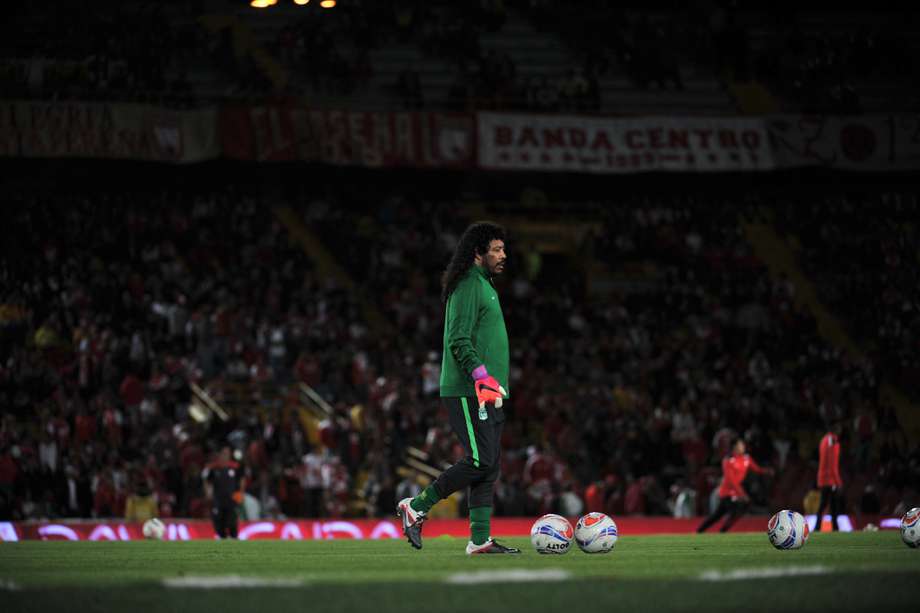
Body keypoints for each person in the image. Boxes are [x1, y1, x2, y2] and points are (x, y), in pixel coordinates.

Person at [397, 222, 520, 554]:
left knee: (489, 465)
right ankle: (417, 506)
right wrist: (482, 377)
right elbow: (457, 339)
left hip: (489, 392)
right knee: (480, 460)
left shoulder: (484, 284)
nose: (503, 255)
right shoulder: (468, 284)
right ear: (478, 252)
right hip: (469, 388)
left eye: (503, 249)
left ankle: (479, 541)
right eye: (496, 249)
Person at [697, 438, 774, 533]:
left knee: (719, 515)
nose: (743, 447)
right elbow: (730, 480)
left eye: (743, 445)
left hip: (736, 493)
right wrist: (742, 494)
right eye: (741, 445)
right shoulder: (728, 460)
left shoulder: (747, 458)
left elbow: (757, 469)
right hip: (726, 493)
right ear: (734, 447)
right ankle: (712, 531)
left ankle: (704, 531)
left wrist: (767, 471)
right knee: (735, 510)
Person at [203, 445, 246, 539]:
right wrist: (208, 493)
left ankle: (234, 537)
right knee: (218, 520)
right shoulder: (214, 468)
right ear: (220, 455)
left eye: (227, 453)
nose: (225, 455)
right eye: (223, 453)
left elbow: (241, 480)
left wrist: (241, 494)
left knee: (232, 520)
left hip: (232, 499)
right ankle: (221, 536)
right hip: (218, 499)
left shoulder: (235, 467)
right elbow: (207, 481)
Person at [814, 421, 843, 531]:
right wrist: (838, 481)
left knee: (824, 503)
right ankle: (835, 527)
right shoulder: (833, 440)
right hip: (830, 479)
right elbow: (832, 463)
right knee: (832, 504)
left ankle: (818, 527)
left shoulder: (824, 439)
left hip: (822, 477)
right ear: (837, 430)